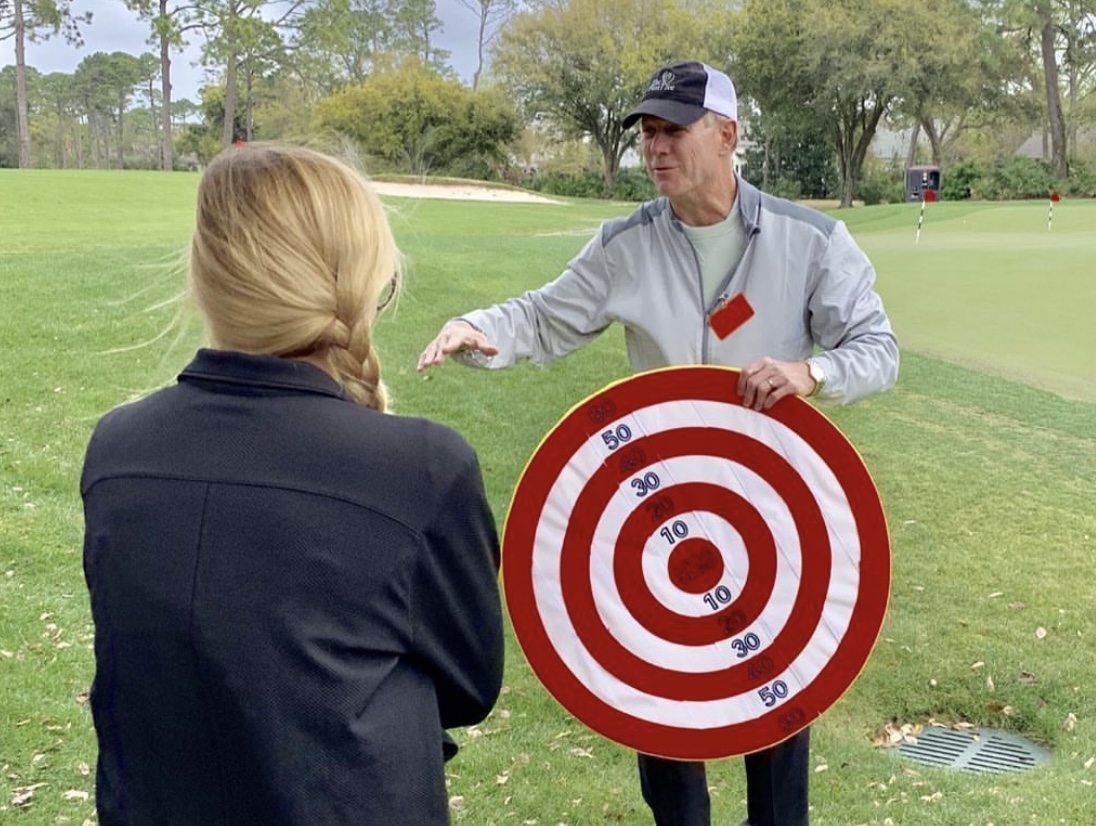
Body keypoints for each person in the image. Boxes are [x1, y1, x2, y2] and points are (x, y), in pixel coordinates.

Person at [417, 60, 899, 826]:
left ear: (728, 135)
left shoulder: (814, 241)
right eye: (647, 133)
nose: (656, 148)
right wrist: (482, 328)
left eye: (673, 130)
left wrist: (813, 370)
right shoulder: (627, 244)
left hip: (770, 517)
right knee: (663, 699)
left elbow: (878, 349)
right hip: (658, 512)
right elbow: (546, 316)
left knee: (775, 704)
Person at [81, 143, 505, 826]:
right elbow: (469, 686)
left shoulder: (116, 450)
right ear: (367, 280)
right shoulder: (423, 466)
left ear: (205, 275)